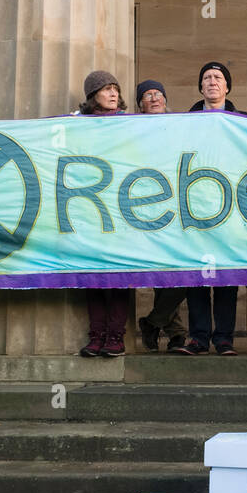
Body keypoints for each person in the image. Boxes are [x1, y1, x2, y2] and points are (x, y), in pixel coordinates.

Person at [177, 62, 247, 355]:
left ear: (227, 86)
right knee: (195, 274)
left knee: (225, 276)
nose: (212, 82)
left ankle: (223, 338)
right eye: (206, 77)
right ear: (200, 87)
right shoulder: (184, 122)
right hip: (193, 208)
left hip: (230, 209)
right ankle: (198, 337)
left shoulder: (244, 121)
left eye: (218, 77)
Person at [73, 71, 132, 358]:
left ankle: (116, 336)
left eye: (115, 89)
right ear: (93, 95)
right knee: (93, 277)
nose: (112, 94)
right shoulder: (77, 125)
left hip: (122, 209)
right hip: (89, 210)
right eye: (106, 89)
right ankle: (96, 335)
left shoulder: (131, 124)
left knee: (119, 276)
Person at [133, 79, 188, 352]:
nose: (154, 98)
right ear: (140, 104)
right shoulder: (131, 129)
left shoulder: (180, 126)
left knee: (187, 272)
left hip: (180, 207)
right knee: (162, 274)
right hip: (145, 208)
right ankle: (176, 332)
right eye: (147, 95)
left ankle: (154, 322)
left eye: (158, 93)